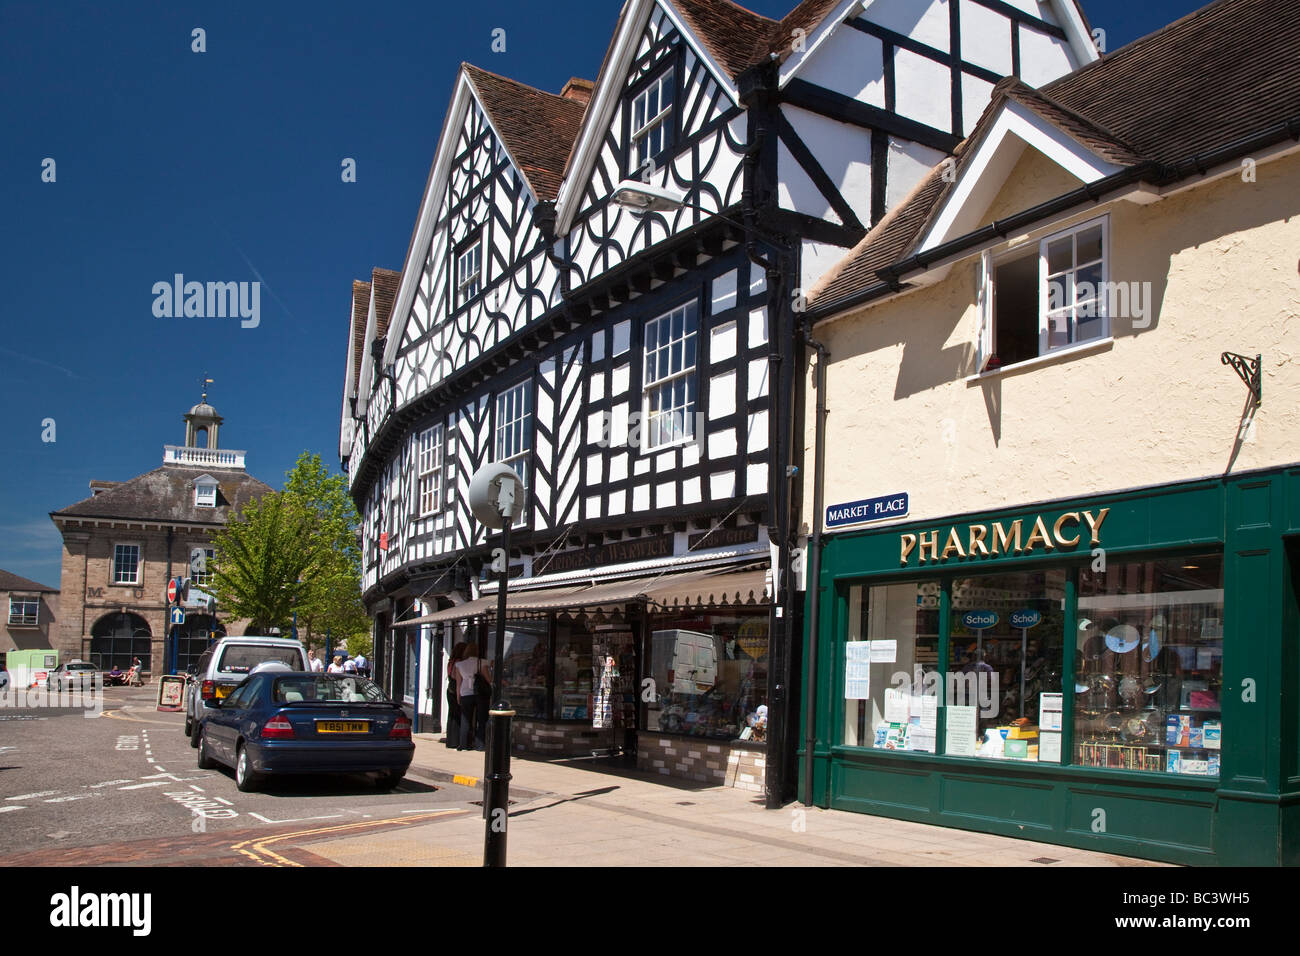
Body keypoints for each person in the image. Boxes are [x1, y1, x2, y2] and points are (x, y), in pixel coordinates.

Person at [453, 643, 492, 751]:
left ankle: (464, 744)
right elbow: (489, 679)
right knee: (482, 719)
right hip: (480, 693)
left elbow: (458, 683)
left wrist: (458, 696)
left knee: (466, 719)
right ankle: (480, 745)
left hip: (465, 693)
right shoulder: (482, 662)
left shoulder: (459, 665)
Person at [445, 642, 466, 750]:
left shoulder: (450, 661)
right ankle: (455, 741)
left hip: (449, 689)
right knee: (457, 715)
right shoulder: (459, 662)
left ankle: (450, 741)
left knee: (451, 715)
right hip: (455, 690)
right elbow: (458, 681)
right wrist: (459, 696)